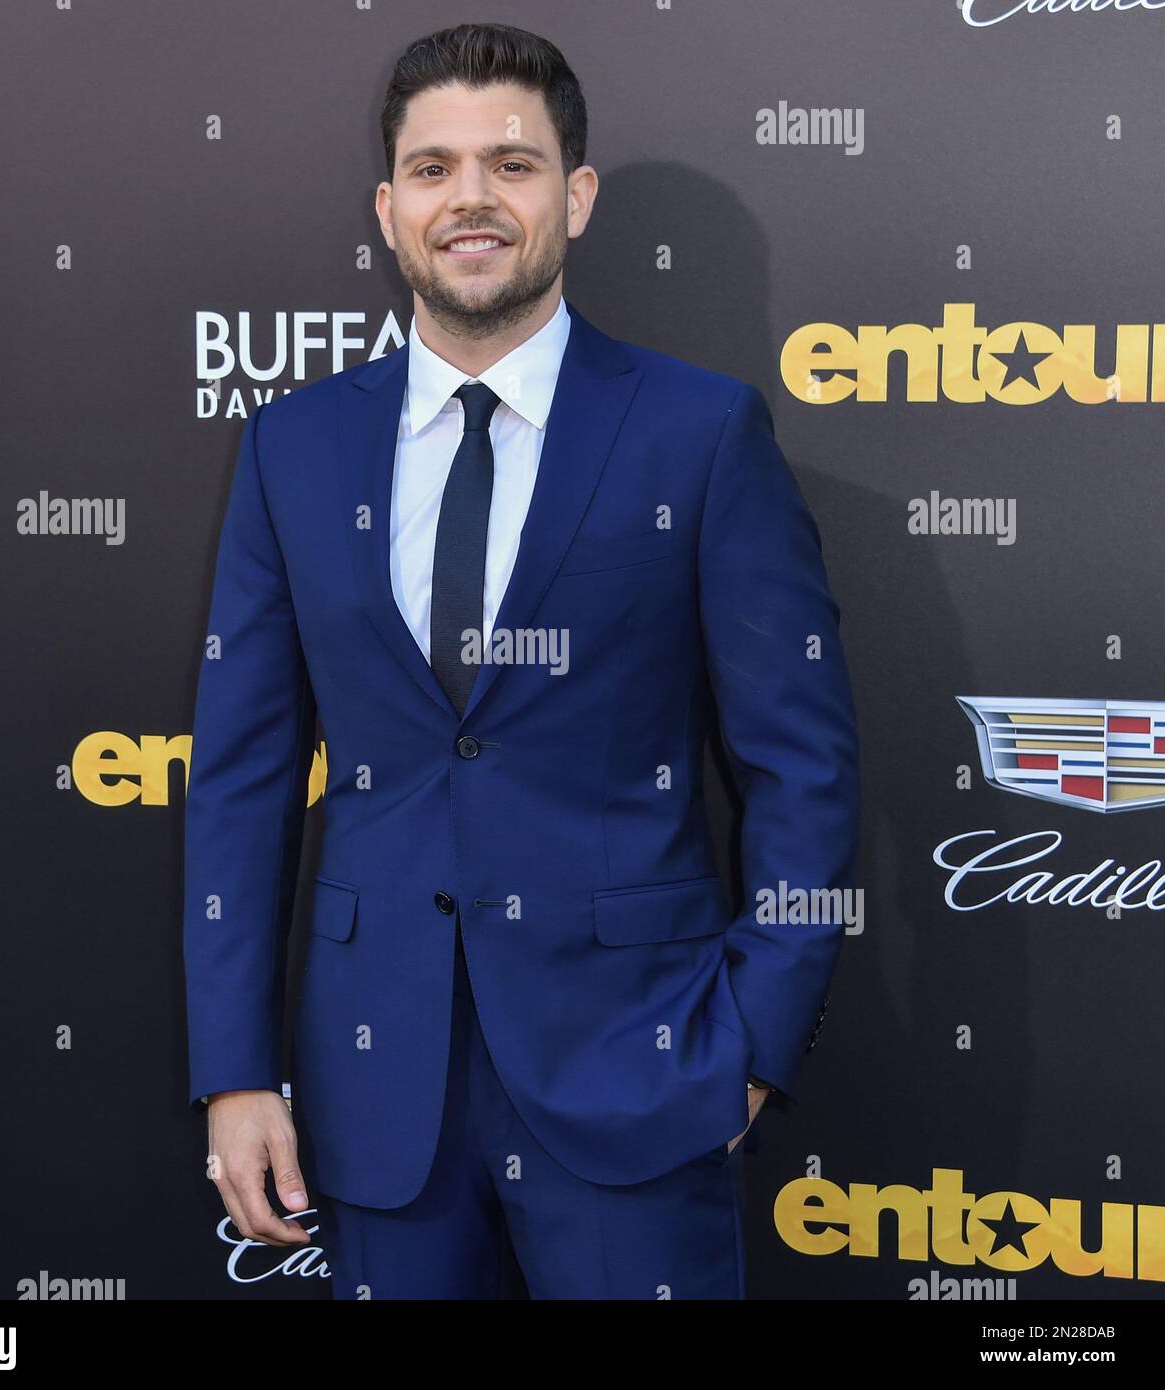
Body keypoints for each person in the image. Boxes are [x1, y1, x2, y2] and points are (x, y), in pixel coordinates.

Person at [182, 21, 860, 1300]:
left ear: (577, 195)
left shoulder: (698, 433)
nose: (472, 200)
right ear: (388, 210)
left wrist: (753, 1044)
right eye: (432, 169)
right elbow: (239, 781)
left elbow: (802, 767)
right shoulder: (294, 450)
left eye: (514, 163)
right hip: (374, 1088)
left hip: (641, 1070)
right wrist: (233, 1071)